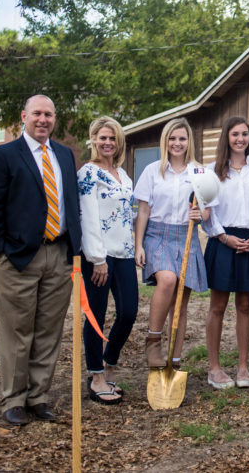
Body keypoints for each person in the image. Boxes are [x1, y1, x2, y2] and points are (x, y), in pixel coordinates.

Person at [0, 94, 82, 426]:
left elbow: (71, 203)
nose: (43, 119)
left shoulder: (64, 155)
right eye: (37, 113)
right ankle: (14, 398)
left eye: (48, 114)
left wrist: (75, 249)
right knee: (17, 330)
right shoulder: (4, 155)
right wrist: (0, 251)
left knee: (48, 330)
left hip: (59, 254)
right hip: (19, 257)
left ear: (54, 119)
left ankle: (38, 396)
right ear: (24, 117)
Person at [133, 117, 214, 371]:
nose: (177, 143)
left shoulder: (200, 173)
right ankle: (153, 341)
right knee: (167, 280)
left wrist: (199, 214)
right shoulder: (152, 171)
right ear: (165, 141)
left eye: (182, 138)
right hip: (157, 234)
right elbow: (143, 211)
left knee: (180, 302)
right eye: (172, 138)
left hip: (186, 236)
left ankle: (174, 360)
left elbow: (207, 212)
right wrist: (138, 245)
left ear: (189, 141)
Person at [203, 116, 249, 389]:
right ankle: (214, 368)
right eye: (235, 134)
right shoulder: (212, 171)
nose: (240, 139)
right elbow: (208, 213)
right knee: (217, 307)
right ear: (227, 137)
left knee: (245, 306)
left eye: (245, 134)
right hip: (223, 240)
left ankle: (243, 367)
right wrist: (224, 237)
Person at [77, 116, 138, 405]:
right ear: (93, 140)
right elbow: (88, 216)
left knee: (129, 312)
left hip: (124, 252)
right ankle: (96, 376)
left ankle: (109, 361)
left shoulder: (123, 175)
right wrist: (97, 258)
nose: (108, 142)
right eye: (102, 137)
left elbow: (127, 213)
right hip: (98, 256)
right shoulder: (88, 173)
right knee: (96, 316)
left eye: (112, 138)